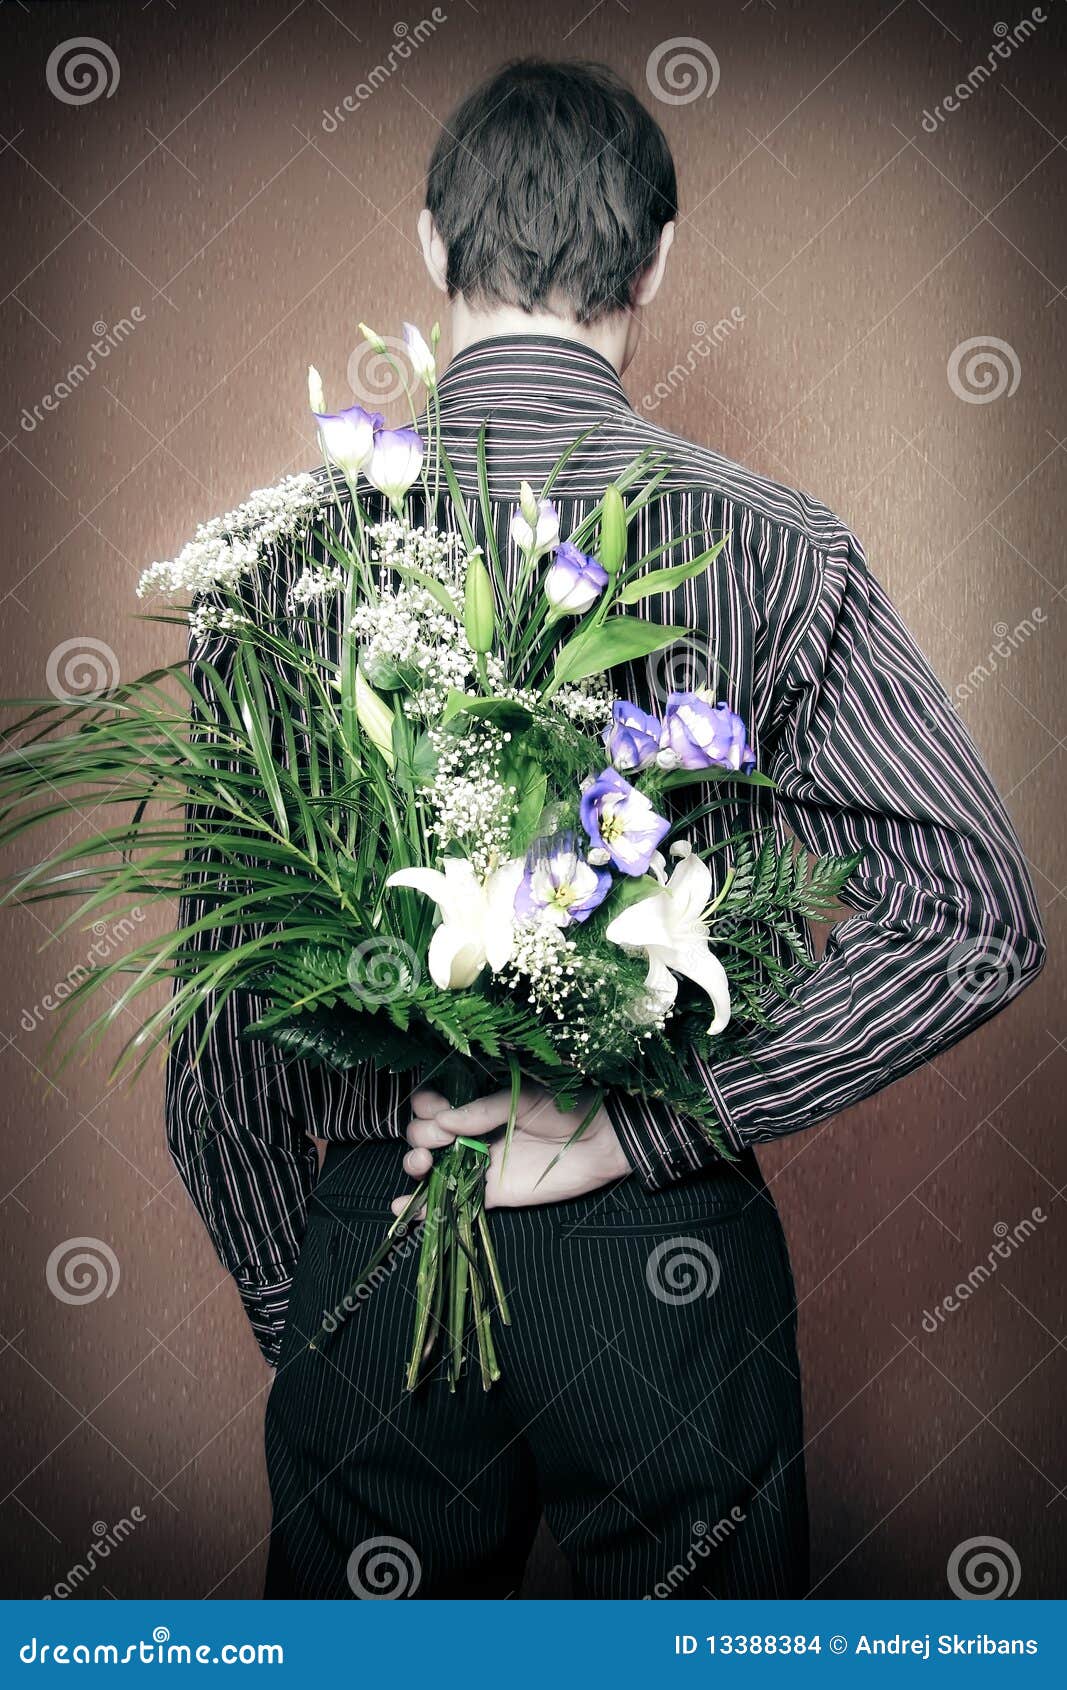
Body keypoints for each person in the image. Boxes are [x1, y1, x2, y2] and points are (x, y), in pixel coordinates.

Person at [165, 59, 1046, 1600]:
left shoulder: (277, 565)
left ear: (433, 250)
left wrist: (316, 1293)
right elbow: (974, 914)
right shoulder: (775, 545)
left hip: (381, 1228)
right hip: (659, 1260)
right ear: (654, 264)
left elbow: (221, 1013)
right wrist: (647, 1125)